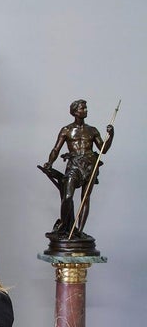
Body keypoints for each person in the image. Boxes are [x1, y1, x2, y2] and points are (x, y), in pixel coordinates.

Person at [40, 99, 114, 237]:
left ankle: (79, 231)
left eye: (86, 108)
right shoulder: (66, 130)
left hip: (90, 166)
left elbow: (103, 149)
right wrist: (50, 162)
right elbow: (56, 149)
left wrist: (111, 135)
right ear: (74, 112)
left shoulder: (92, 130)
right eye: (82, 108)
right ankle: (63, 225)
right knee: (67, 197)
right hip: (74, 165)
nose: (86, 110)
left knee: (85, 198)